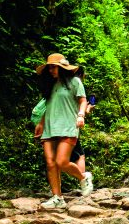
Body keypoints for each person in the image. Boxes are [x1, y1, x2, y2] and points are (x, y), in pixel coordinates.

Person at [34, 53, 90, 210]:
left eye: (53, 67)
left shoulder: (74, 82)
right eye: (49, 68)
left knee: (62, 162)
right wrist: (41, 123)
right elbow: (49, 106)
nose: (51, 70)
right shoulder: (51, 86)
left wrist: (81, 115)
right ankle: (57, 198)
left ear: (62, 67)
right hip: (50, 126)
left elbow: (83, 100)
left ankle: (83, 177)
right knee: (51, 163)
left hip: (67, 125)